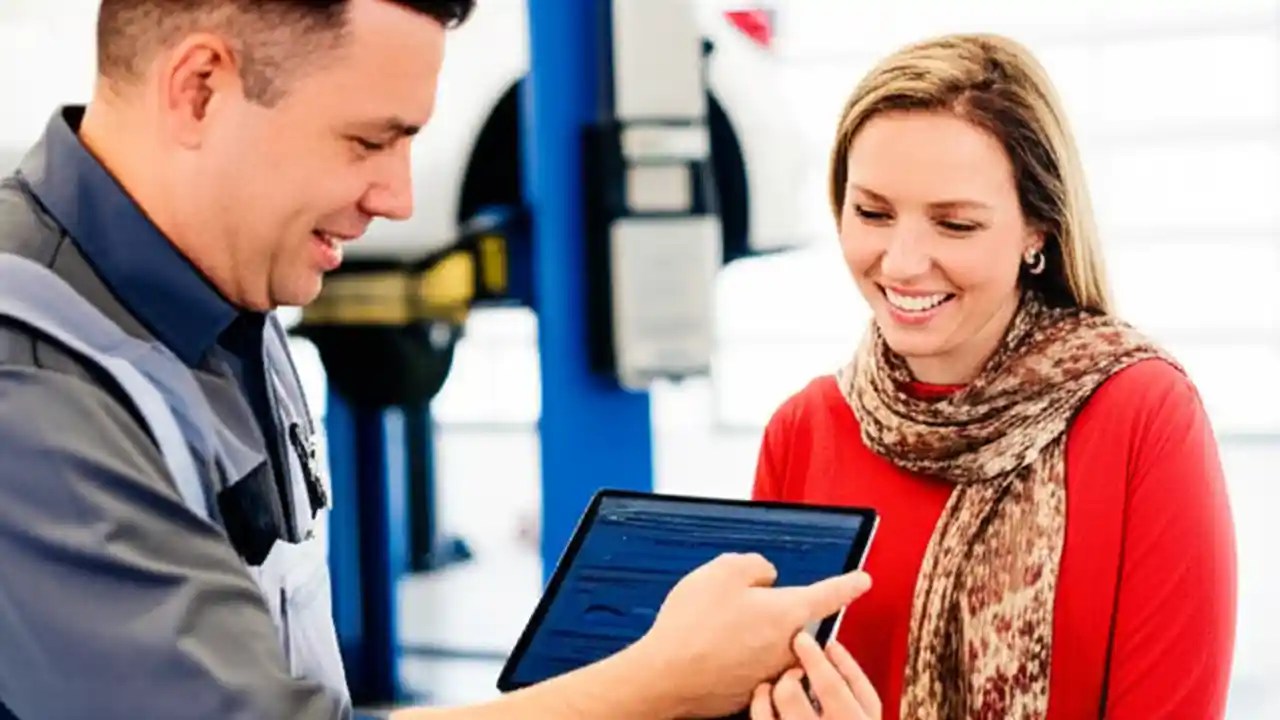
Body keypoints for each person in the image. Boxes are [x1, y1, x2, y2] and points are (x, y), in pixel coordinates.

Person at [0, 1, 873, 718]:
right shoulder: (29, 379)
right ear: (199, 90)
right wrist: (659, 683)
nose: (401, 197)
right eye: (368, 141)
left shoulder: (219, 294)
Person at [750, 32, 1239, 720]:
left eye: (954, 225)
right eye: (872, 213)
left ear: (1038, 227)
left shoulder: (1142, 413)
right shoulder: (803, 430)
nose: (902, 262)